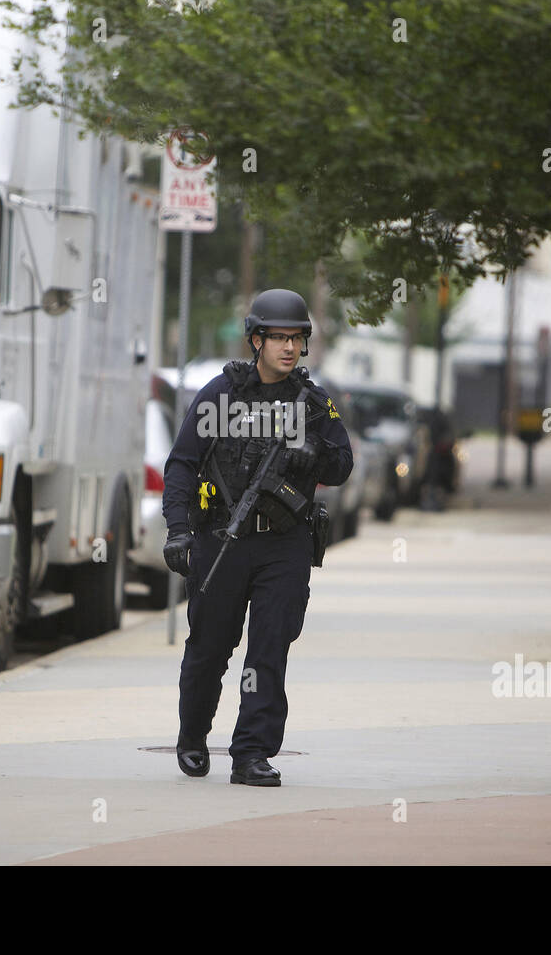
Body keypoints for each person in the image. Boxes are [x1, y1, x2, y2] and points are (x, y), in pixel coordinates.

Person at [161, 289, 353, 786]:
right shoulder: (219, 396)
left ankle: (250, 753)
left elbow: (343, 464)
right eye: (278, 337)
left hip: (284, 544)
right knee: (209, 649)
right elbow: (181, 464)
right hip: (221, 538)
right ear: (256, 340)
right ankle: (193, 735)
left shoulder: (314, 403)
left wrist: (316, 454)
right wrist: (178, 530)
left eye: (296, 338)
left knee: (269, 648)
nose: (288, 347)